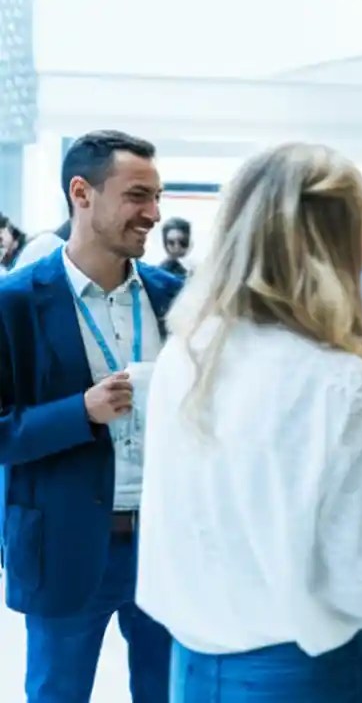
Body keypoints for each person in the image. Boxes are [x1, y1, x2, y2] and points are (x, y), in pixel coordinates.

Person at [136, 143, 362, 701]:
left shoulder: (189, 352)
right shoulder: (337, 379)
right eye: (361, 228)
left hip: (196, 668)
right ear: (327, 247)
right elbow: (361, 584)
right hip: (312, 673)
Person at [0, 130, 177, 702]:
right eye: (137, 196)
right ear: (82, 193)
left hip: (167, 546)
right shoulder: (17, 301)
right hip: (64, 545)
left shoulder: (175, 297)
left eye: (157, 197)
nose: (153, 213)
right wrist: (81, 411)